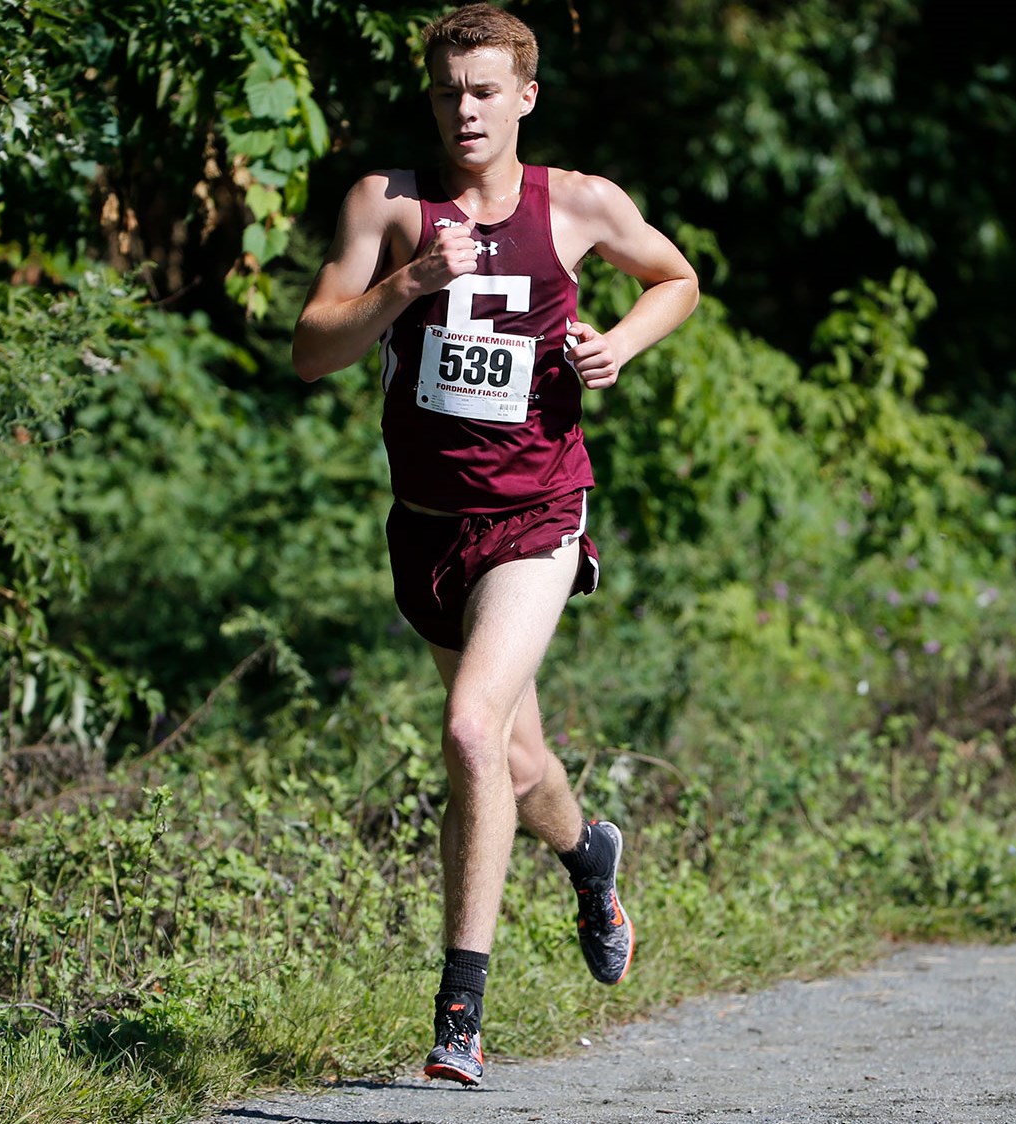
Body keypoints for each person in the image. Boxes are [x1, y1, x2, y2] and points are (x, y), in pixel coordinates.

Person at [291, 3, 699, 1085]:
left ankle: (459, 1012)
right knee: (515, 755)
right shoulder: (387, 207)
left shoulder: (577, 204)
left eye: (483, 90)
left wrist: (616, 342)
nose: (463, 110)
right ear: (429, 99)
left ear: (523, 96)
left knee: (470, 727)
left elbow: (677, 278)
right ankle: (588, 853)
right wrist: (406, 286)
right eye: (445, 92)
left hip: (536, 517)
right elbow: (309, 350)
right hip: (425, 531)